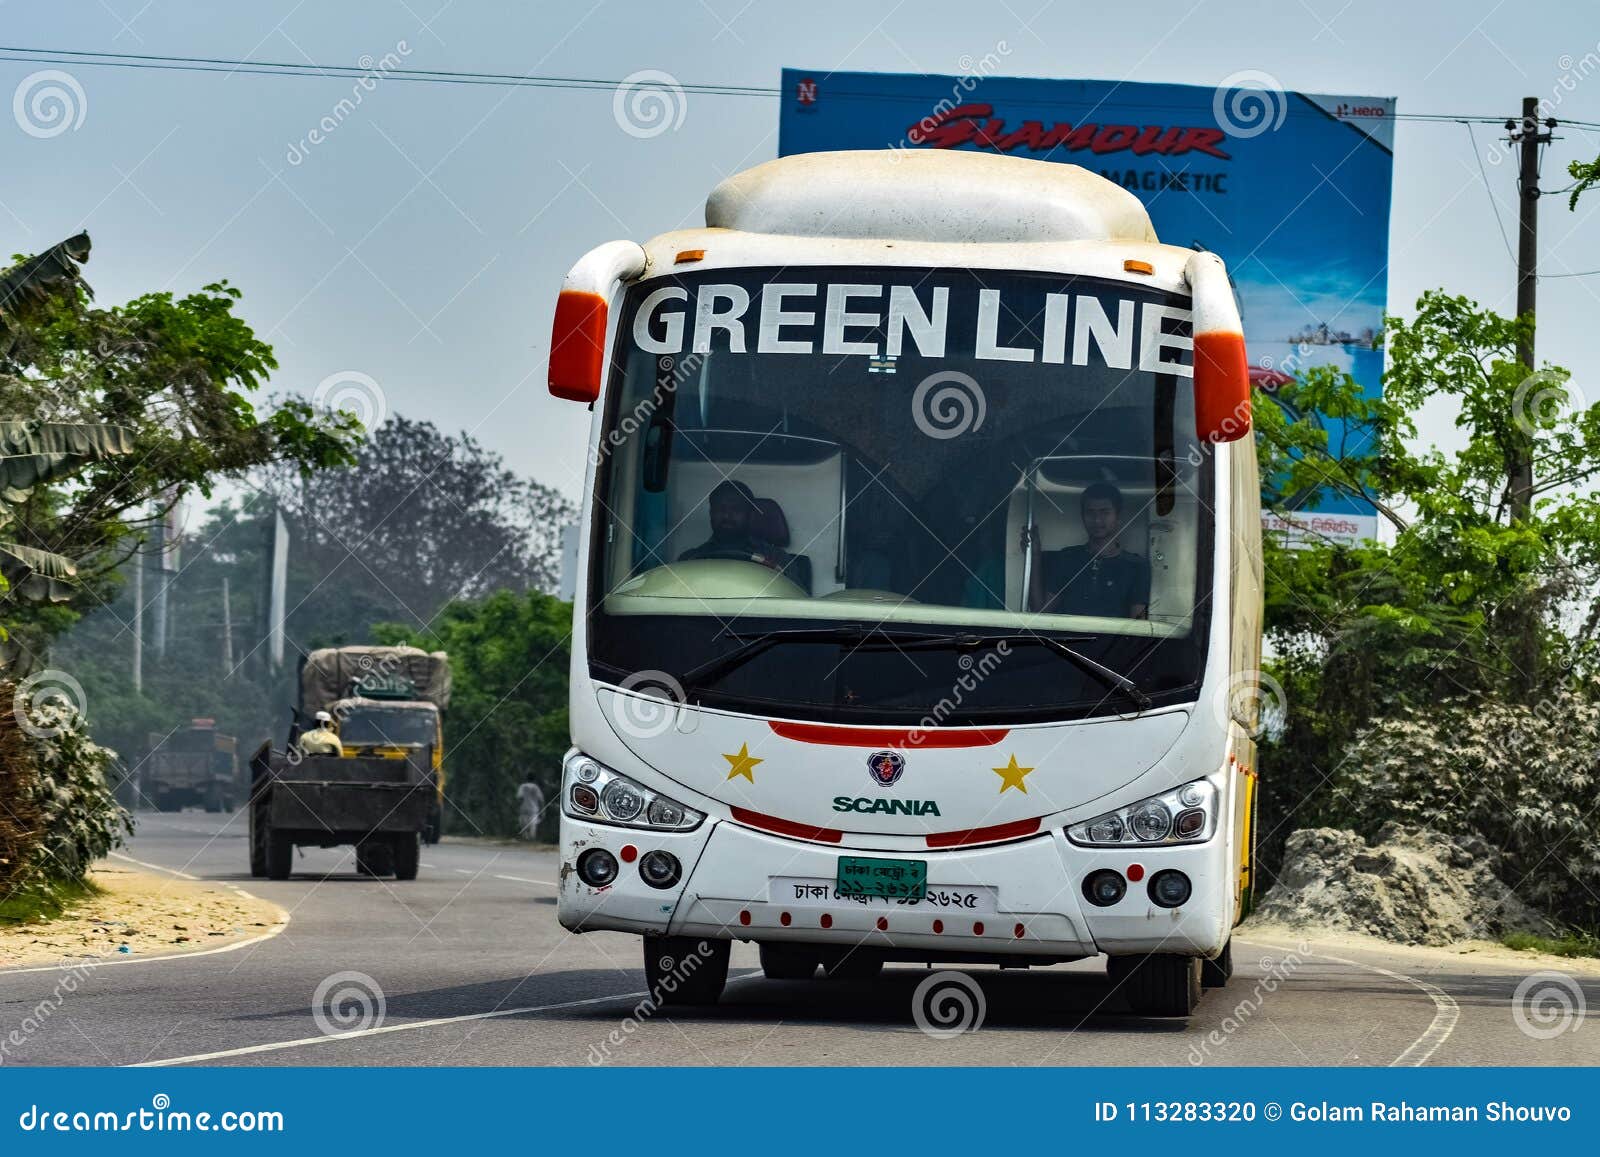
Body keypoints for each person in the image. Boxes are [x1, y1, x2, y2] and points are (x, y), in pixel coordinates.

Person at [1023, 482, 1150, 618]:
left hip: (1113, 639)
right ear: (1082, 516)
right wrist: (1034, 554)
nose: (1097, 520)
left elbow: (1137, 624)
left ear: (1117, 516)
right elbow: (1040, 612)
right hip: (1068, 637)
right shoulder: (1067, 558)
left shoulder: (1136, 566)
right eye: (1090, 512)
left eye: (1105, 512)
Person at [678, 479, 784, 569]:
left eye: (736, 509)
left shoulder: (776, 558)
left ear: (750, 515)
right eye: (720, 509)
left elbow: (791, 592)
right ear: (711, 513)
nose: (727, 516)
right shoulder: (690, 559)